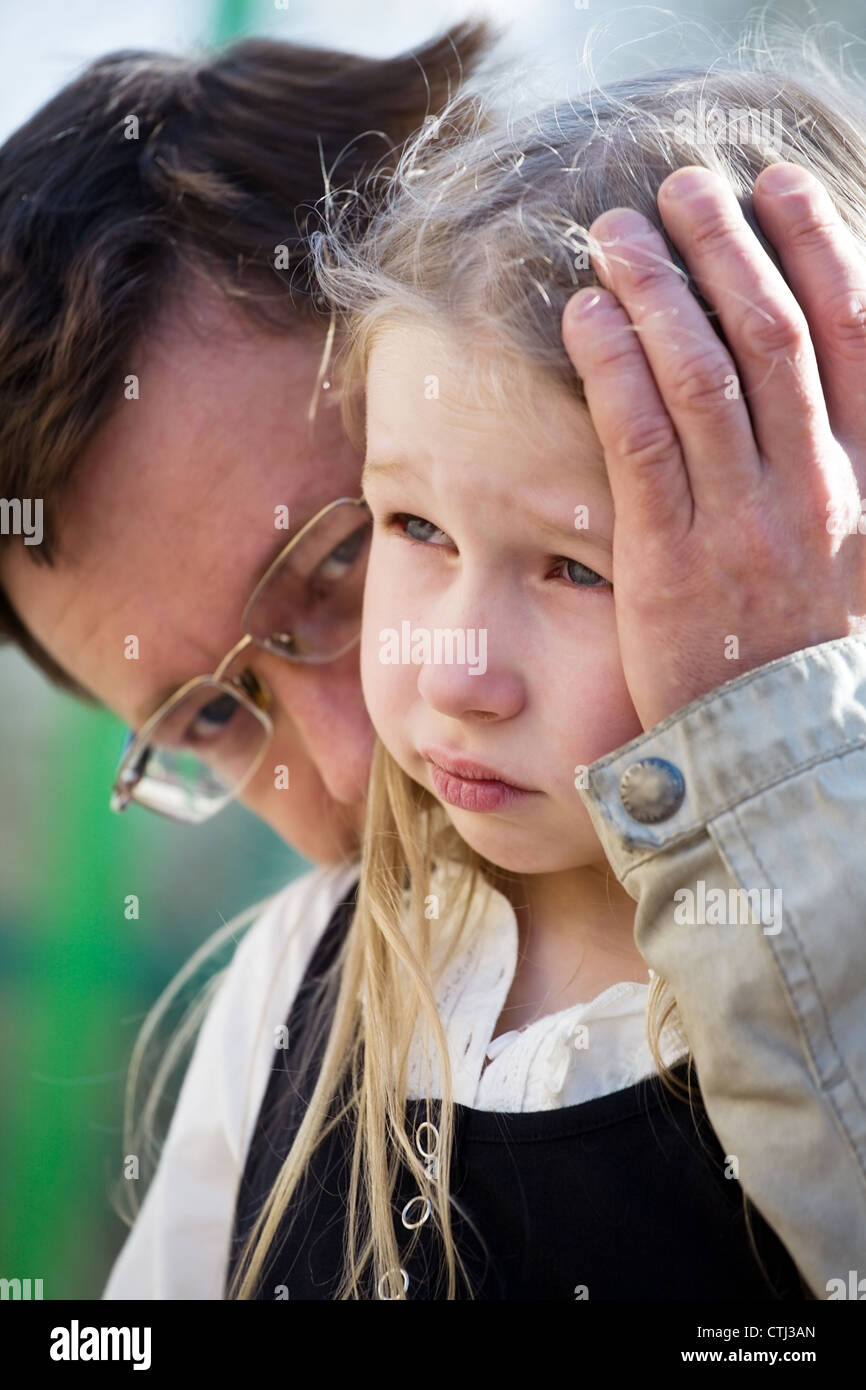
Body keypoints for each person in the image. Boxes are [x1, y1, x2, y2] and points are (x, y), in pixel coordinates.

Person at [0, 23, 863, 1297]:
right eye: (217, 718)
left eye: (340, 557)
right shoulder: (295, 986)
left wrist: (766, 731)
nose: (364, 749)